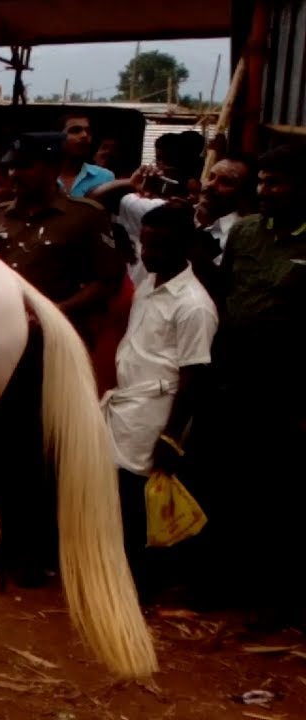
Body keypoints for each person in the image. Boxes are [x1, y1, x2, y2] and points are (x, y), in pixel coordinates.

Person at [0, 132, 124, 586]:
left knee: (39, 449)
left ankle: (33, 552)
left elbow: (106, 282)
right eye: (11, 166)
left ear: (53, 167)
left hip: (52, 350)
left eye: (25, 166)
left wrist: (53, 314)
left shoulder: (84, 217)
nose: (14, 174)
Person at [186, 143, 306, 628]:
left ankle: (272, 600)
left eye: (275, 183)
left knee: (275, 495)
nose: (265, 191)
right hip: (229, 379)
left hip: (283, 389)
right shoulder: (246, 231)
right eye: (261, 182)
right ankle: (216, 584)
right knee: (222, 483)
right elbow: (224, 291)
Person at [103, 203, 217, 599]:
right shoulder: (148, 283)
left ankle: (140, 584)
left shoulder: (194, 305)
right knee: (118, 490)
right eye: (145, 245)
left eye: (159, 247)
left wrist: (170, 436)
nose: (148, 254)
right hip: (126, 403)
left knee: (141, 497)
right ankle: (118, 574)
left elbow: (193, 375)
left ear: (184, 246)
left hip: (155, 409)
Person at [57, 113, 114, 198]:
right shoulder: (43, 176)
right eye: (75, 130)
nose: (85, 135)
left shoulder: (104, 176)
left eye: (88, 131)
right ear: (57, 136)